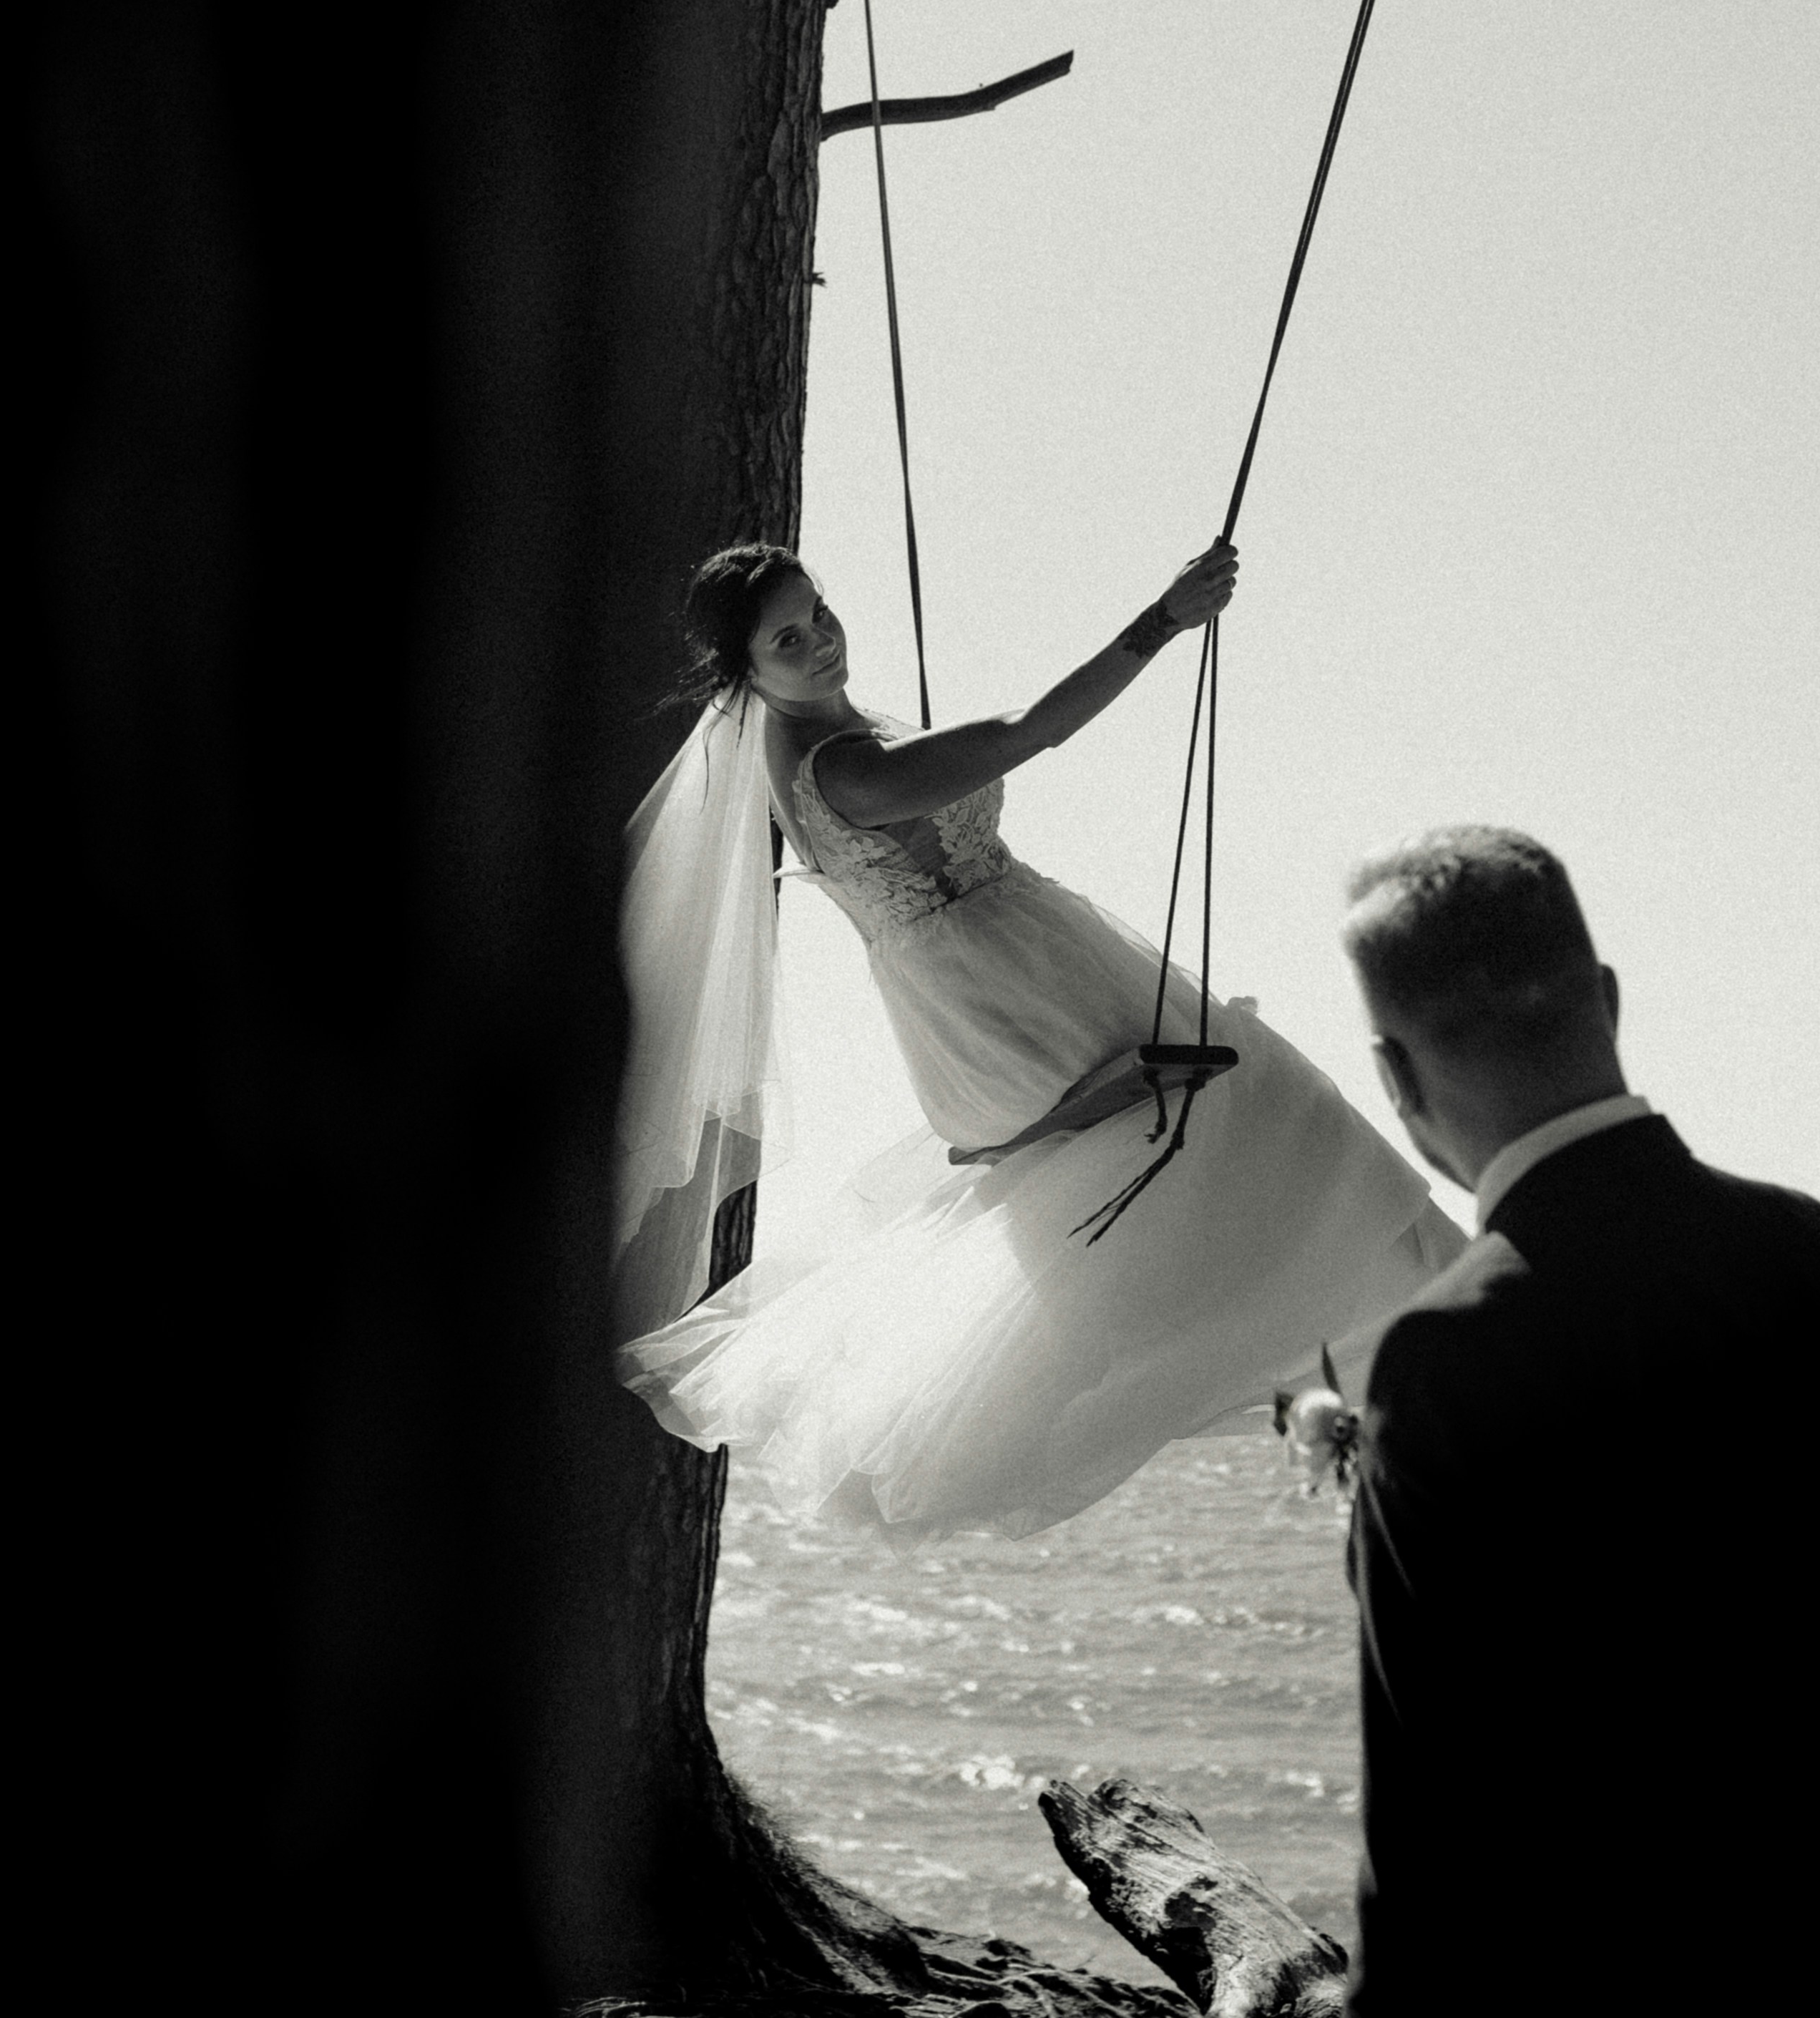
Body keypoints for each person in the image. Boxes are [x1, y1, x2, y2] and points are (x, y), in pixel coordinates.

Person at [613, 539, 1463, 1542]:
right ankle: (1455, 1340)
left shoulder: (815, 736)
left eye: (822, 613)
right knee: (1264, 1110)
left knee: (1250, 1131)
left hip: (1000, 980)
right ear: (747, 673)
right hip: (1011, 1002)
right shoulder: (844, 769)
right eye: (788, 641)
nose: (822, 643)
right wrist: (1165, 618)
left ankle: (1417, 1364)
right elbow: (1033, 730)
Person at [1337, 826, 1820, 2014]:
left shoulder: (1449, 1351)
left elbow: (1425, 1827)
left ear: (1394, 1077)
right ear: (1607, 999)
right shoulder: (1806, 1253)